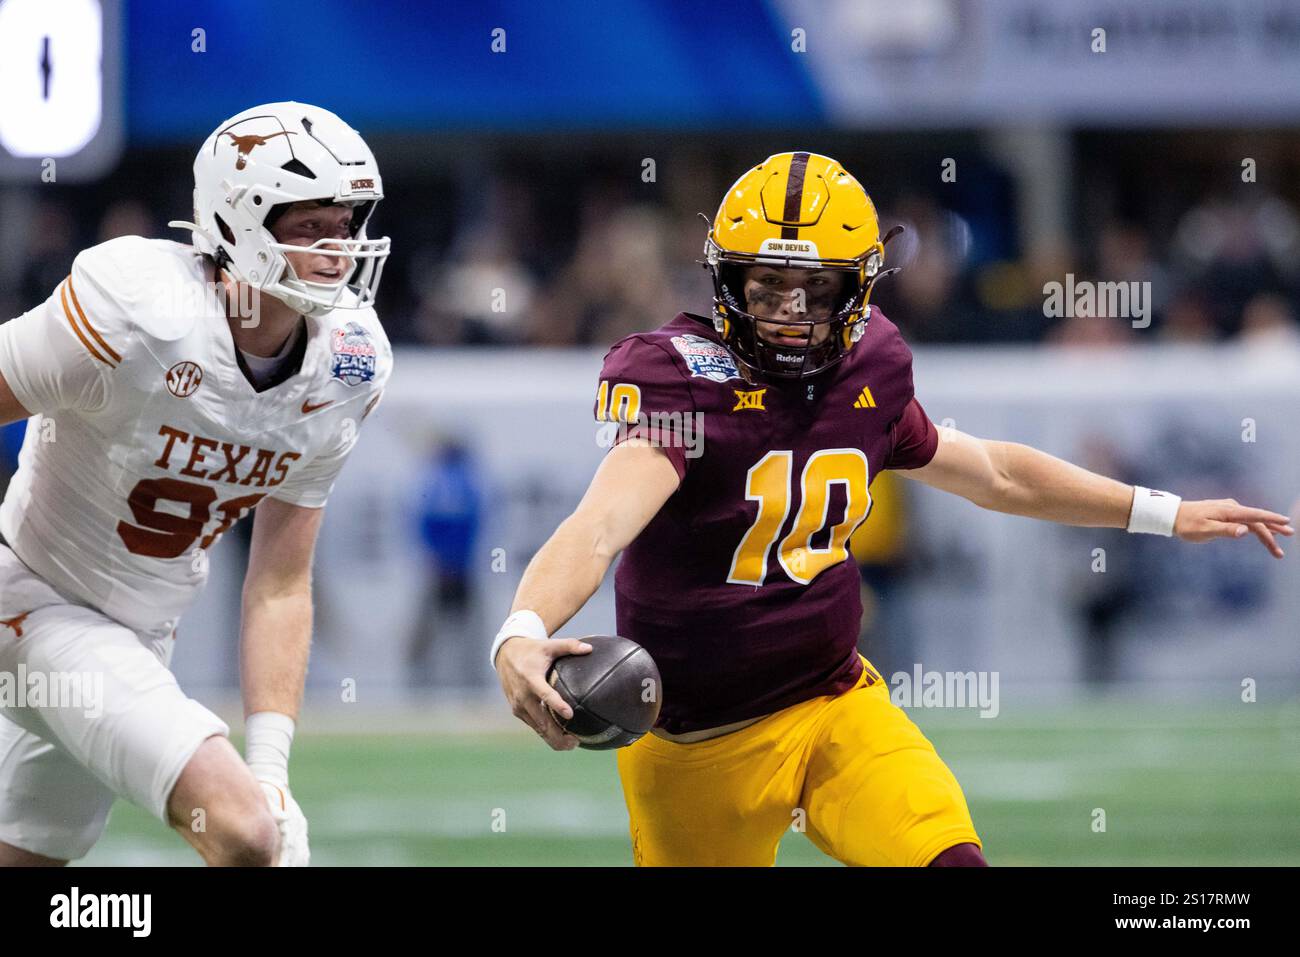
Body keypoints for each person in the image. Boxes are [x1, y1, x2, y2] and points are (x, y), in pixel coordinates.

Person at [492, 152, 1292, 867]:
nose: (787, 310)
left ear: (859, 285)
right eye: (766, 284)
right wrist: (522, 629)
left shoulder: (870, 366)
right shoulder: (678, 378)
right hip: (695, 747)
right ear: (725, 280)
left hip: (834, 701)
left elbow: (992, 472)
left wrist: (1161, 511)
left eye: (815, 288)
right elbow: (599, 524)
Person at [0, 102, 392, 866]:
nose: (338, 248)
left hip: (143, 634)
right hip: (35, 597)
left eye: (345, 224)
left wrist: (273, 769)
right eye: (310, 226)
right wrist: (258, 802)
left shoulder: (349, 362)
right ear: (241, 223)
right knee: (246, 832)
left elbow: (279, 580)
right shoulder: (138, 310)